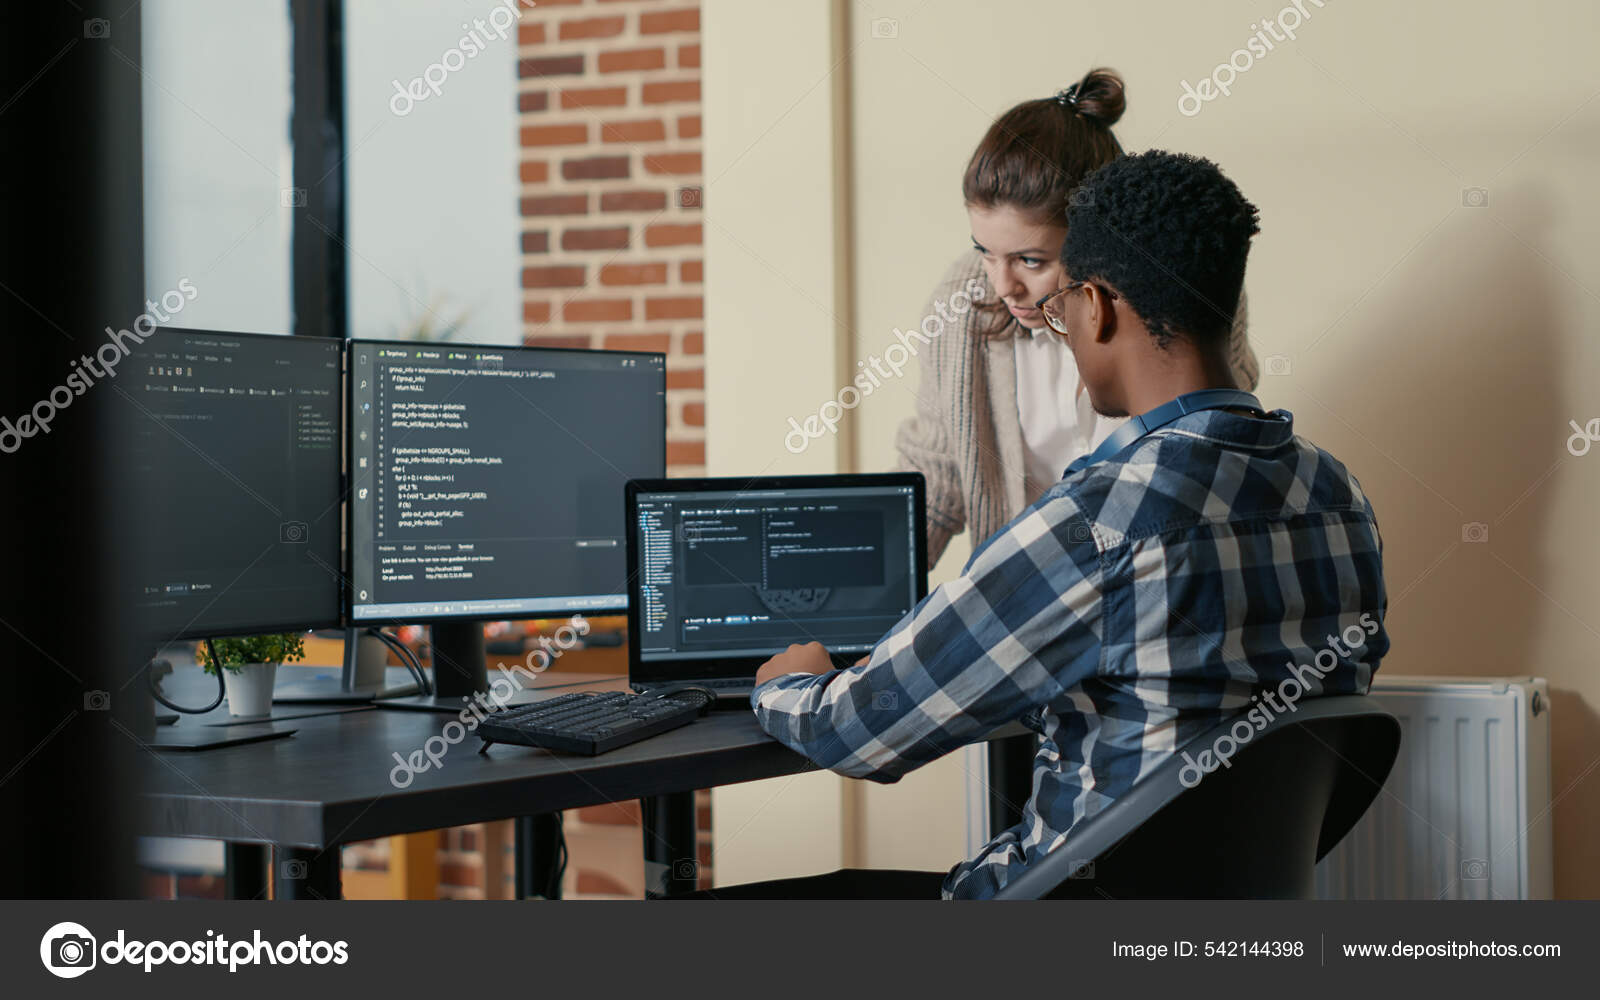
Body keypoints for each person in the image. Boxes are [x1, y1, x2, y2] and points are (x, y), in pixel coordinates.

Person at [731, 150, 1388, 900]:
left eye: (1061, 300)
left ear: (1097, 306)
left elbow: (855, 730)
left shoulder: (1098, 522)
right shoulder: (1339, 496)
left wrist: (791, 687)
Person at [896, 68, 1259, 568]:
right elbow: (937, 485)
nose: (1003, 287)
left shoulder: (1176, 293)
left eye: (1031, 260)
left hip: (1160, 578)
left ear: (1094, 241)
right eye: (984, 252)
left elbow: (1216, 450)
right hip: (1022, 594)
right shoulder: (961, 303)